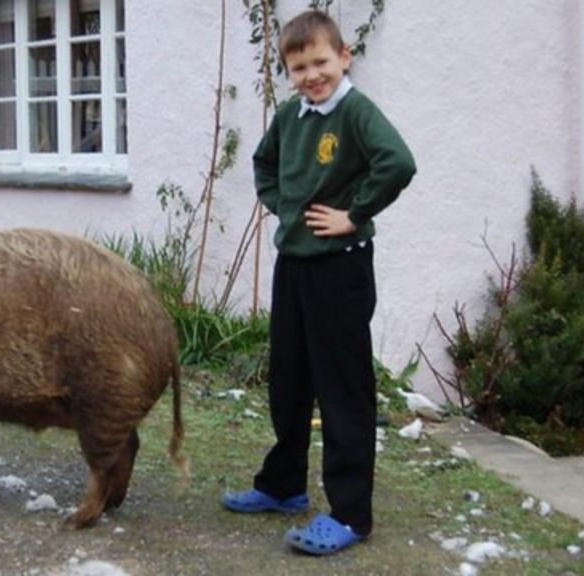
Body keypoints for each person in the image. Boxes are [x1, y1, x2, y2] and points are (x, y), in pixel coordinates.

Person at [221, 10, 416, 556]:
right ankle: (283, 485)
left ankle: (351, 513)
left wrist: (354, 214)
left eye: (320, 62)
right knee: (289, 380)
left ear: (344, 57)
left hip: (341, 270)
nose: (311, 75)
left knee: (342, 390)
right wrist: (286, 208)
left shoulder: (355, 112)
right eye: (298, 66)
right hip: (296, 267)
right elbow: (264, 164)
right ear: (288, 69)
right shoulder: (292, 116)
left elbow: (397, 163)